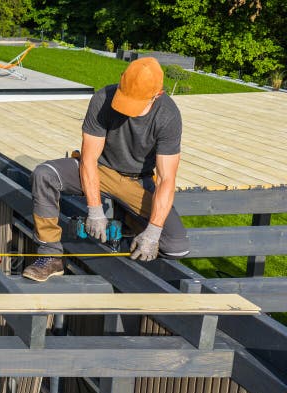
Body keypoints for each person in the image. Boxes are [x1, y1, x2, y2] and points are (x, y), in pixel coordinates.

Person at [22, 56, 190, 282]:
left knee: (176, 246)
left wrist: (153, 231)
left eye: (135, 103)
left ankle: (129, 222)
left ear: (157, 94)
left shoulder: (167, 115)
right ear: (121, 81)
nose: (126, 109)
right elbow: (89, 160)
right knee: (45, 174)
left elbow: (167, 179)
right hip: (100, 169)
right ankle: (50, 255)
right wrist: (94, 210)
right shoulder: (102, 99)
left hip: (136, 181)